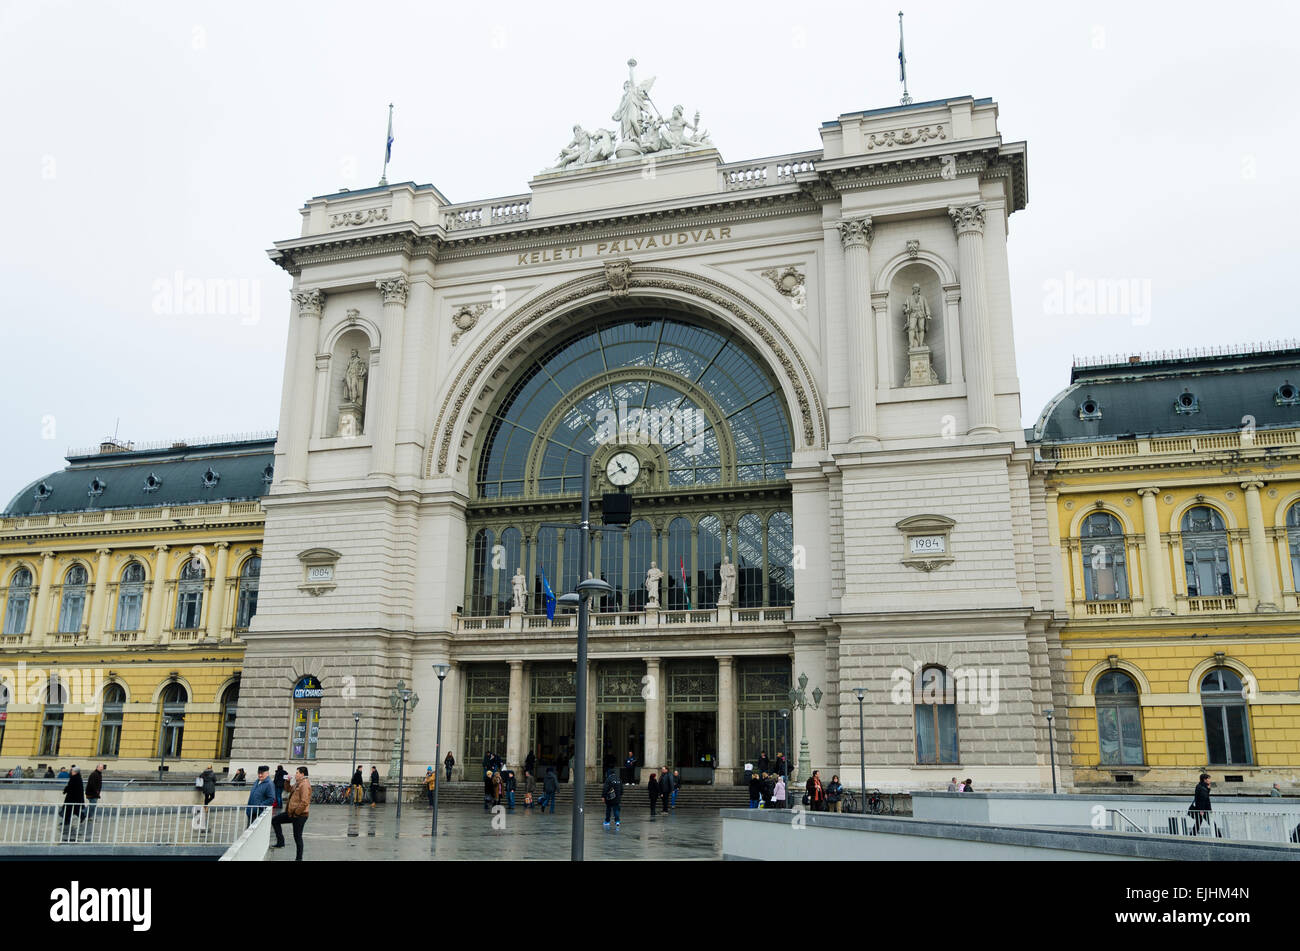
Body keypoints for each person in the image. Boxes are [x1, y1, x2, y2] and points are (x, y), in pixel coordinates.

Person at [271, 766, 311, 860]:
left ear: (302, 774)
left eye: (297, 773)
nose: (295, 774)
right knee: (275, 820)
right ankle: (281, 842)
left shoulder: (304, 784)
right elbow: (288, 789)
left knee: (297, 836)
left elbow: (305, 801)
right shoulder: (298, 783)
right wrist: (287, 781)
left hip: (300, 815)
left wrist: (297, 813)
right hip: (291, 813)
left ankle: (299, 858)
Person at [61, 767, 85, 841]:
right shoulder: (78, 778)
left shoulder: (74, 778)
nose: (71, 772)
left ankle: (67, 820)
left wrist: (65, 790)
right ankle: (68, 820)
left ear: (75, 772)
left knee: (68, 809)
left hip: (72, 797)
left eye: (72, 771)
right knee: (73, 809)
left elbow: (70, 787)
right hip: (75, 797)